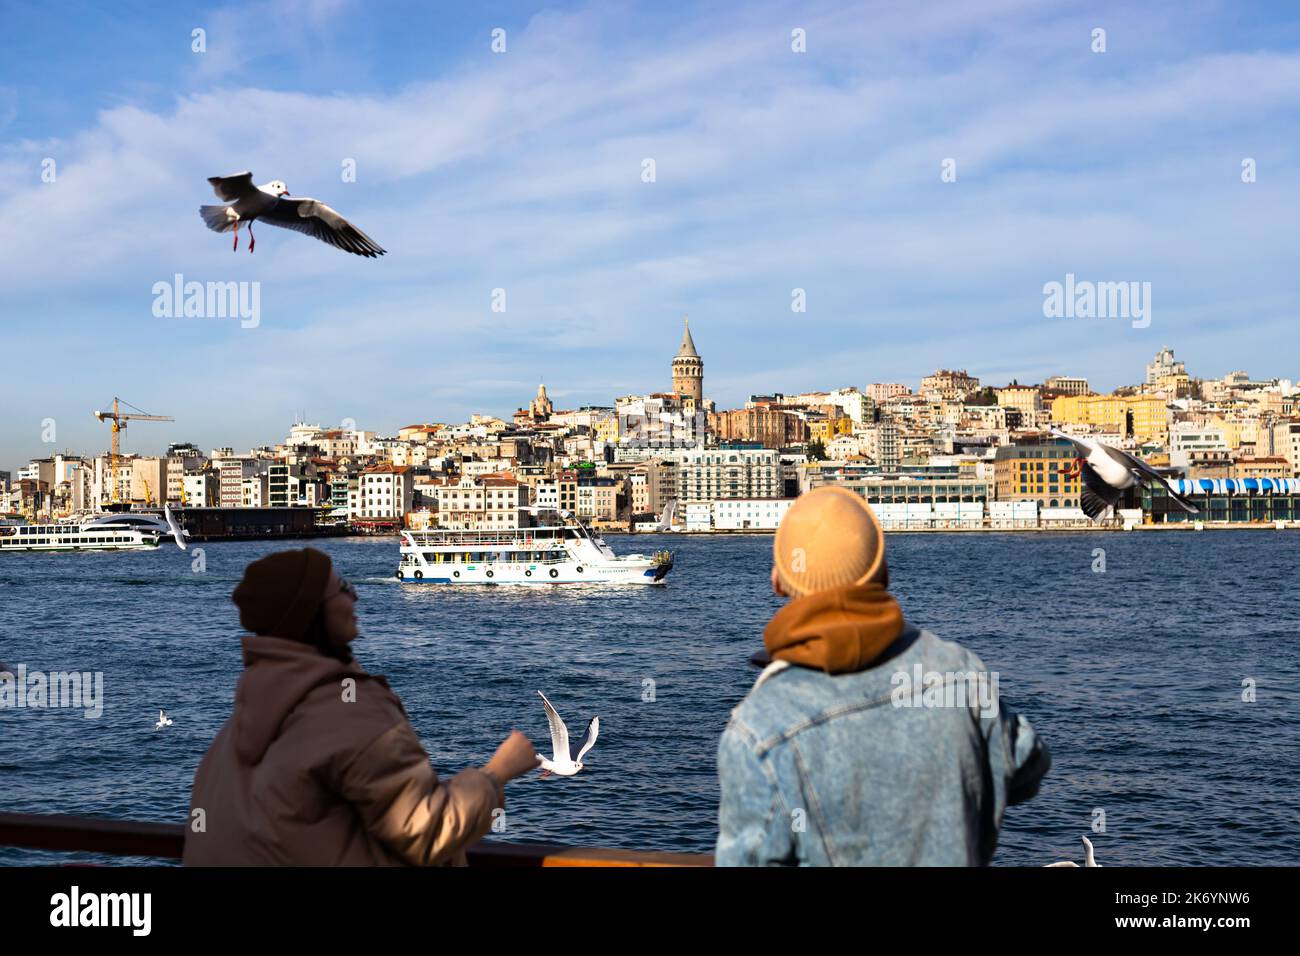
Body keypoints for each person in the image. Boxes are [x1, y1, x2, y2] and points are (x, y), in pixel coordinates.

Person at [716, 487, 1051, 866]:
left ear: (778, 581)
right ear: (885, 573)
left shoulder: (757, 728)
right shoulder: (958, 674)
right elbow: (1027, 767)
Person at [184, 547, 538, 866]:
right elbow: (424, 830)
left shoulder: (233, 733)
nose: (355, 594)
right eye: (341, 587)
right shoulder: (347, 709)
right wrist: (496, 774)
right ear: (311, 611)